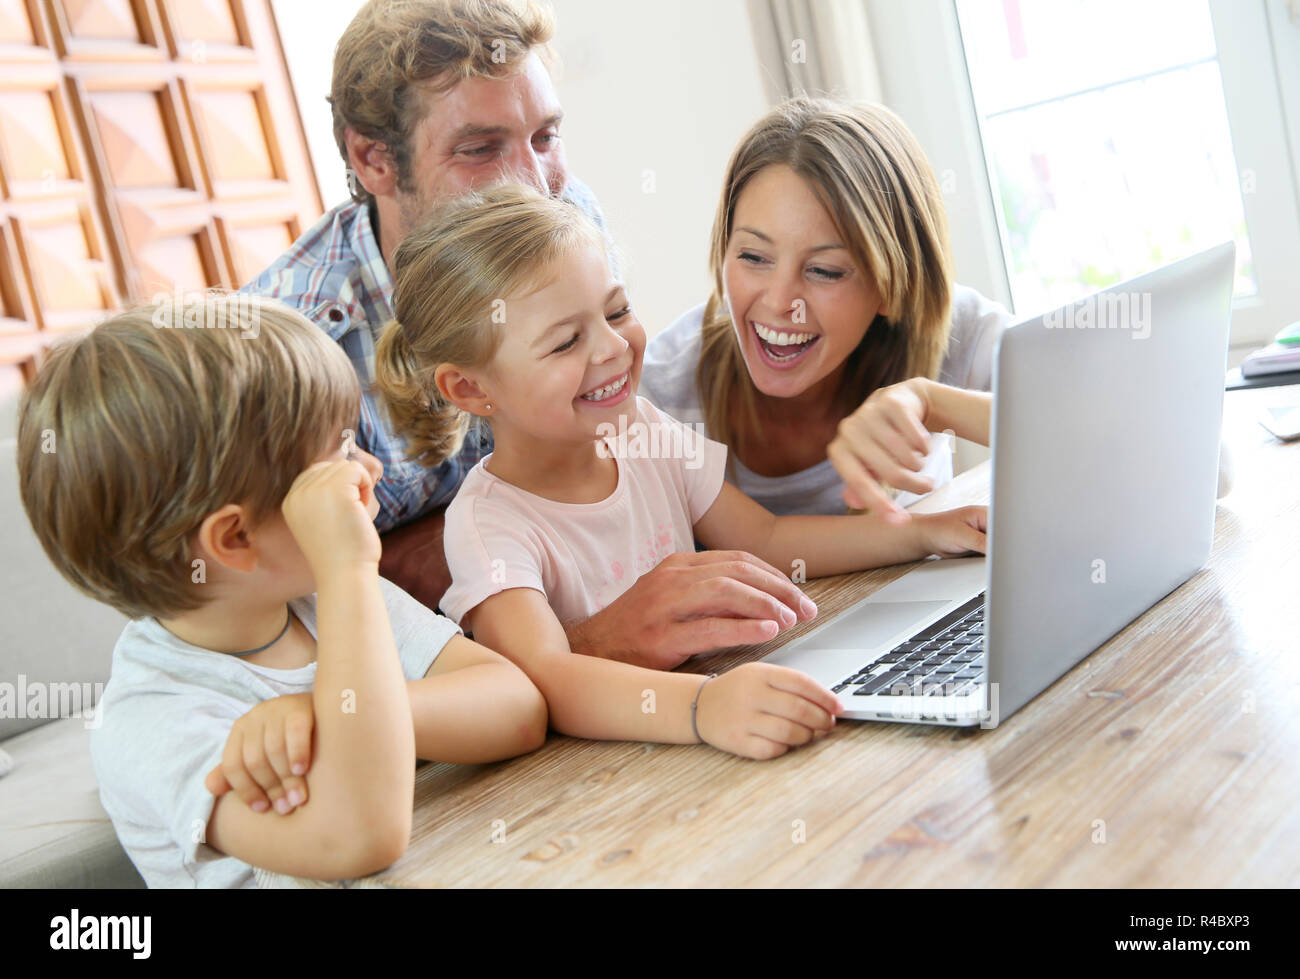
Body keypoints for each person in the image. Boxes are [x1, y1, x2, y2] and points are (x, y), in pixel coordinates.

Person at [244, 0, 808, 669]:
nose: (538, 185)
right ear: (373, 160)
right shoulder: (287, 344)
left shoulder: (567, 214)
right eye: (480, 149)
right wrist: (553, 618)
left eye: (544, 137)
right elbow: (275, 610)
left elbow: (607, 432)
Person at [373, 185, 989, 760]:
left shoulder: (643, 427)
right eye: (566, 343)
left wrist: (922, 533)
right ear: (472, 388)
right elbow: (544, 678)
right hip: (614, 767)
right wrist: (702, 709)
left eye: (617, 312)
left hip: (712, 723)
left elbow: (768, 539)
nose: (612, 348)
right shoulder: (488, 523)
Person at [15, 296, 547, 887]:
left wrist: (323, 715)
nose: (369, 469)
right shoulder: (155, 724)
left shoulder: (322, 603)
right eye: (338, 458)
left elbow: (518, 708)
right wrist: (346, 572)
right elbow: (359, 838)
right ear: (237, 538)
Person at [640, 96, 1011, 526]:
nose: (781, 302)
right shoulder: (664, 393)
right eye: (754, 257)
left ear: (893, 287)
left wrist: (931, 403)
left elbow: (1096, 418)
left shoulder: (949, 327)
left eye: (824, 270)